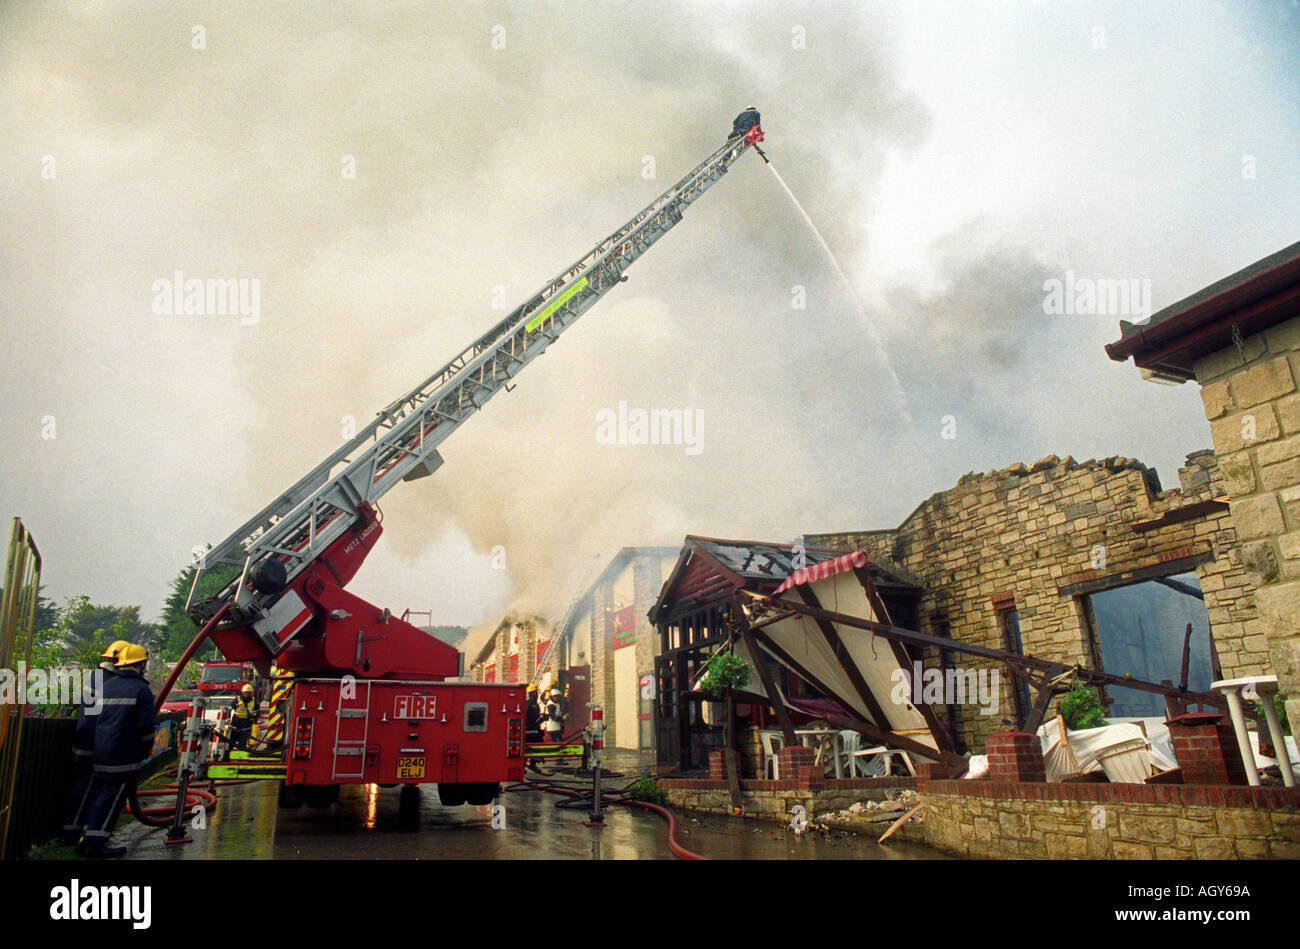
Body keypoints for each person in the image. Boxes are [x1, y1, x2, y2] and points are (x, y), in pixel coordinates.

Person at [77, 643, 156, 858]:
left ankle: (86, 836)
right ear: (140, 664)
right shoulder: (141, 689)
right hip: (124, 754)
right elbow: (146, 727)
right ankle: (96, 843)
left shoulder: (108, 686)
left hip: (101, 751)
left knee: (100, 794)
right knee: (113, 799)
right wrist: (146, 748)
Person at [60, 640, 128, 845]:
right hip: (91, 746)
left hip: (89, 744)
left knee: (87, 791)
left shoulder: (99, 678)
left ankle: (75, 833)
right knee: (86, 790)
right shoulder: (104, 680)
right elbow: (91, 719)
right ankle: (72, 835)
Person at [229, 682, 259, 750]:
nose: (247, 694)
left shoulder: (254, 701)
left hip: (246, 724)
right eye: (246, 692)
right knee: (230, 742)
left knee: (242, 743)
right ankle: (226, 757)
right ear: (243, 692)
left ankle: (240, 758)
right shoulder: (237, 699)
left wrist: (254, 717)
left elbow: (257, 712)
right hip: (236, 723)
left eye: (249, 692)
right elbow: (229, 707)